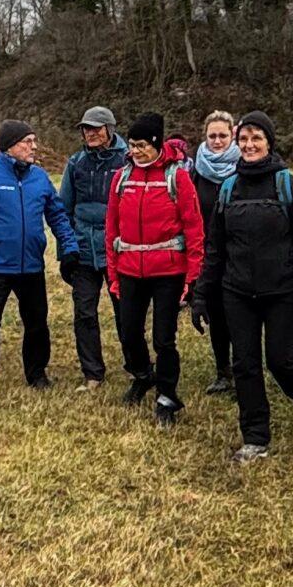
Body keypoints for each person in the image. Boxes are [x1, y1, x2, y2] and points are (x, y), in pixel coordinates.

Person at [196, 113, 293, 461]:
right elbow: (215, 248)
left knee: (281, 360)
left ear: (269, 142)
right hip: (236, 292)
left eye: (257, 138)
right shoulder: (228, 188)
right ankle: (255, 438)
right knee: (245, 365)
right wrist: (201, 295)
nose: (250, 145)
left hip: (283, 292)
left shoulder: (288, 185)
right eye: (244, 140)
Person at [0, 120, 83, 406]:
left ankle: (36, 373)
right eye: (28, 141)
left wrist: (69, 247)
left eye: (35, 141)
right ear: (9, 145)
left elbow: (57, 215)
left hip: (32, 266)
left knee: (37, 324)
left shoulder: (39, 177)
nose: (34, 146)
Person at [104, 111, 206, 427]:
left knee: (164, 338)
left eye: (141, 146)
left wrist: (192, 276)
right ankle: (142, 374)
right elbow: (112, 228)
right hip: (130, 270)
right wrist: (114, 273)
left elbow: (194, 227)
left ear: (156, 144)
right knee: (129, 331)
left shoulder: (178, 178)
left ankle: (167, 395)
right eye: (132, 145)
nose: (135, 151)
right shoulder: (121, 179)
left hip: (168, 273)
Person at [58, 107, 129, 391]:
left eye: (96, 128)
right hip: (83, 250)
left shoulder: (127, 161)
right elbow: (63, 208)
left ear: (110, 129)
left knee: (125, 311)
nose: (91, 133)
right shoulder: (76, 163)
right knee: (84, 313)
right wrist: (67, 249)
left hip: (117, 250)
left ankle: (135, 365)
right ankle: (93, 373)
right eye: (86, 128)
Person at [187, 110, 241, 396]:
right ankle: (223, 372)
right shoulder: (196, 172)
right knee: (216, 313)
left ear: (232, 135)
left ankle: (244, 369)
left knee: (241, 316)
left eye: (223, 135)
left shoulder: (244, 166)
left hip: (241, 253)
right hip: (209, 254)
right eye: (212, 136)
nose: (217, 141)